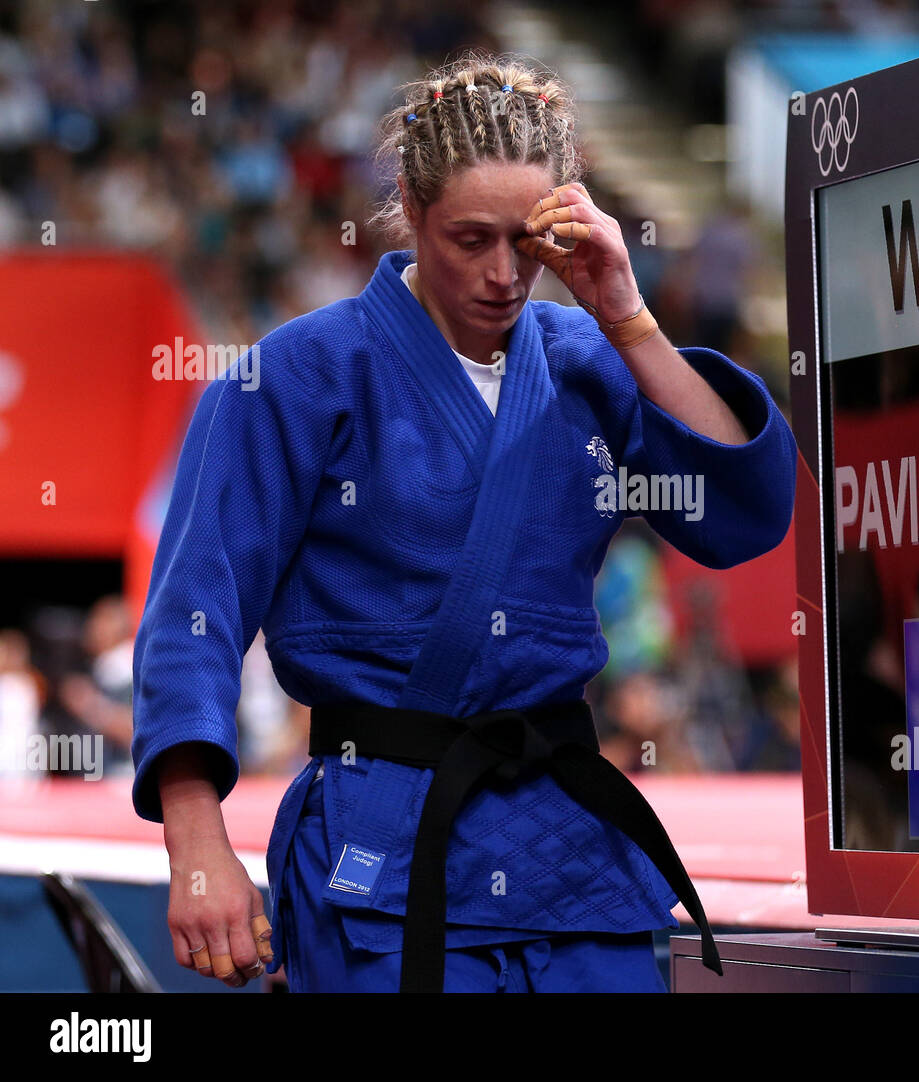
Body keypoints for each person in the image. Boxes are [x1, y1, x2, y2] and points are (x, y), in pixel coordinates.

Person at [130, 52, 797, 993]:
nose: (500, 274)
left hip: (568, 846)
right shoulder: (297, 374)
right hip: (382, 844)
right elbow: (194, 610)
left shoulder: (590, 359)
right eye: (468, 238)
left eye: (524, 243)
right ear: (407, 203)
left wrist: (630, 315)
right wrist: (196, 840)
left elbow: (747, 513)